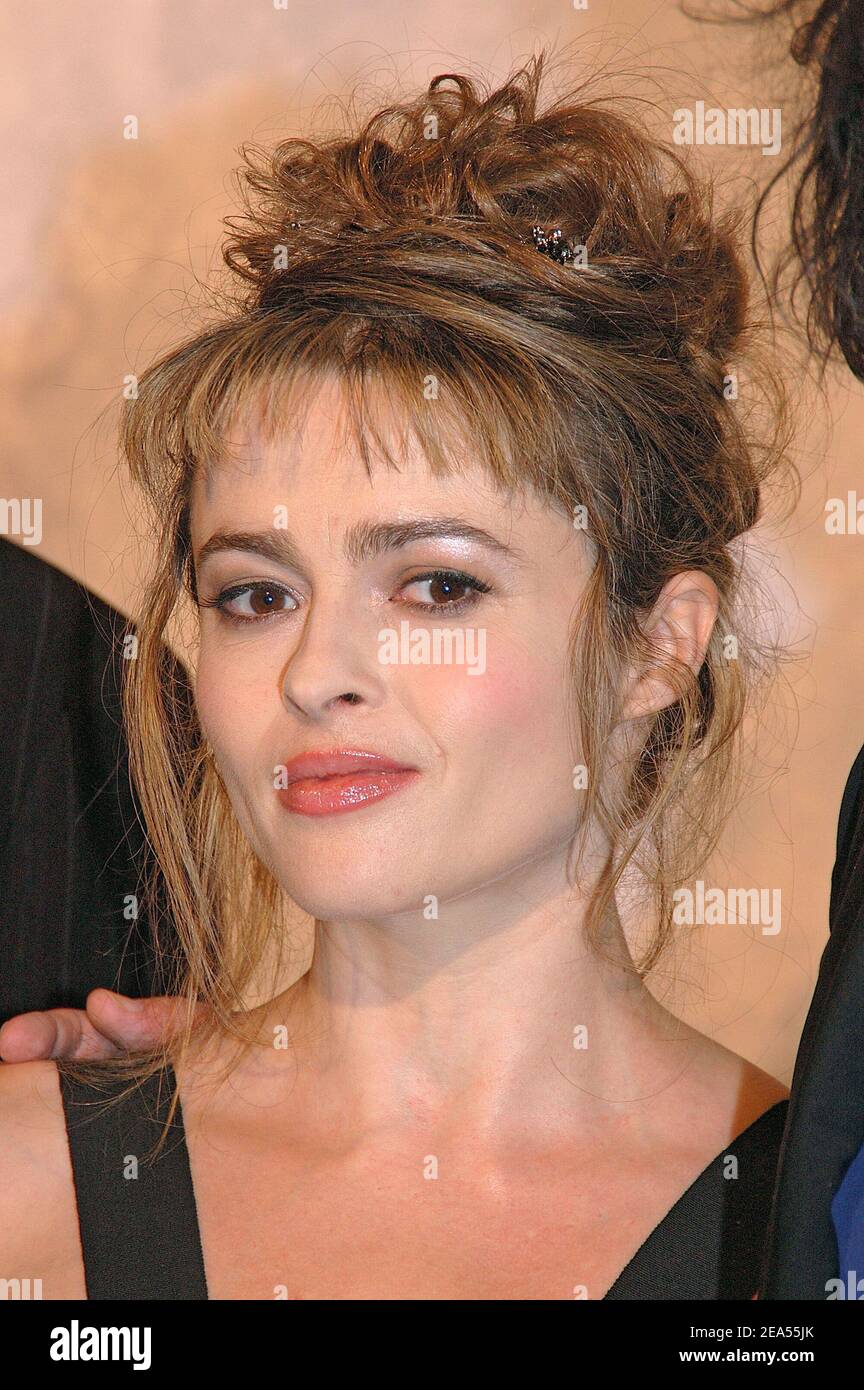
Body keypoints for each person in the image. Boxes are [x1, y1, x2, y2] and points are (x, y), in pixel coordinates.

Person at [0, 52, 792, 1300]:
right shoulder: (29, 1189)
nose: (317, 673)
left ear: (660, 645)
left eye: (436, 584)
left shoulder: (808, 1244)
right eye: (256, 595)